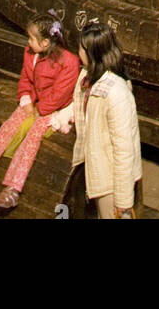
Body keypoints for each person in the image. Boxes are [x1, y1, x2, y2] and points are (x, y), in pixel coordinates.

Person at [0, 9, 80, 212]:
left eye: (32, 38)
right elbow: (26, 79)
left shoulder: (69, 62)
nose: (28, 42)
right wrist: (26, 100)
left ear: (46, 43)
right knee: (10, 125)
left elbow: (59, 94)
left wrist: (40, 109)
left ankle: (13, 189)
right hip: (36, 102)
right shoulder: (31, 53)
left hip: (58, 108)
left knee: (32, 139)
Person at [52, 19, 142, 218]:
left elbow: (124, 150)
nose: (78, 51)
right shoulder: (86, 77)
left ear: (92, 52)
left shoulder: (116, 93)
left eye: (81, 47)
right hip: (96, 167)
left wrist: (124, 202)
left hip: (113, 180)